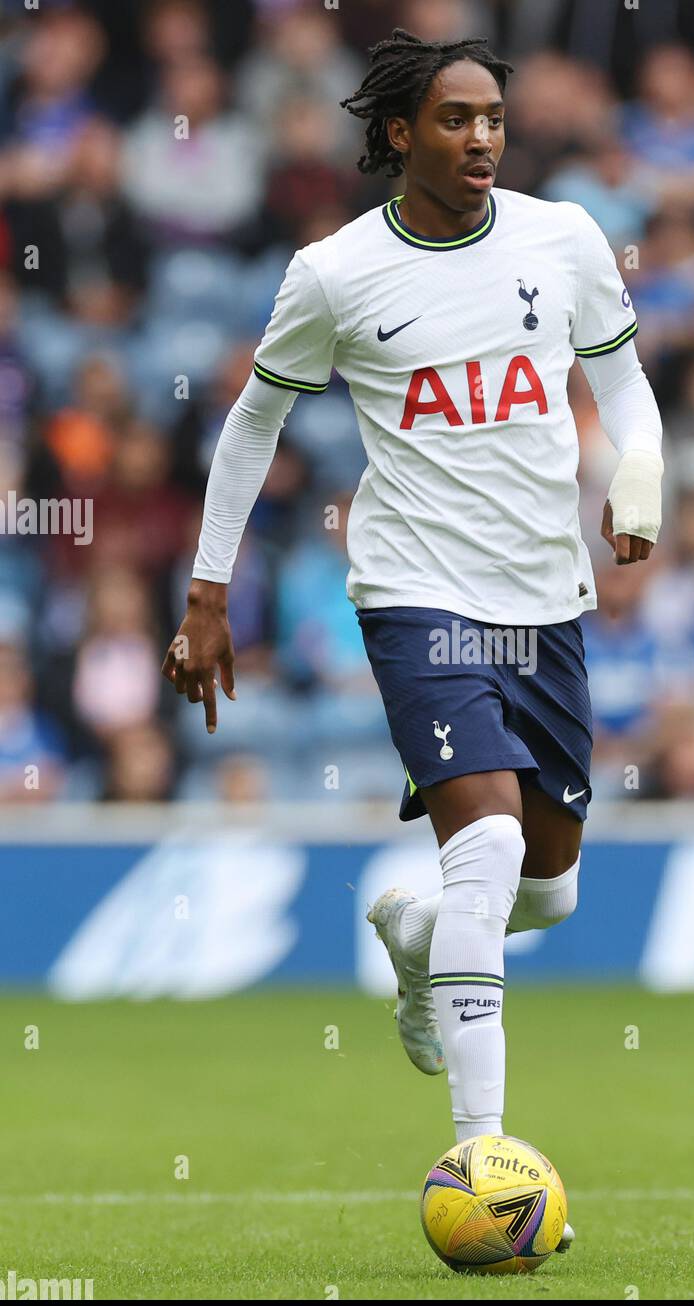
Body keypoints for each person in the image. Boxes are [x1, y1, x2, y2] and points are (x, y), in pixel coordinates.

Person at [162, 31, 663, 1213]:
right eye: (454, 119)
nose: (481, 136)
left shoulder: (567, 238)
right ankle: (484, 1160)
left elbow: (627, 385)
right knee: (487, 844)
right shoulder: (334, 274)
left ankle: (413, 933)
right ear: (398, 134)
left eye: (492, 116)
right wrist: (207, 590)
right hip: (415, 590)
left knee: (546, 884)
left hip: (545, 596)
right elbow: (250, 425)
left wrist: (639, 474)